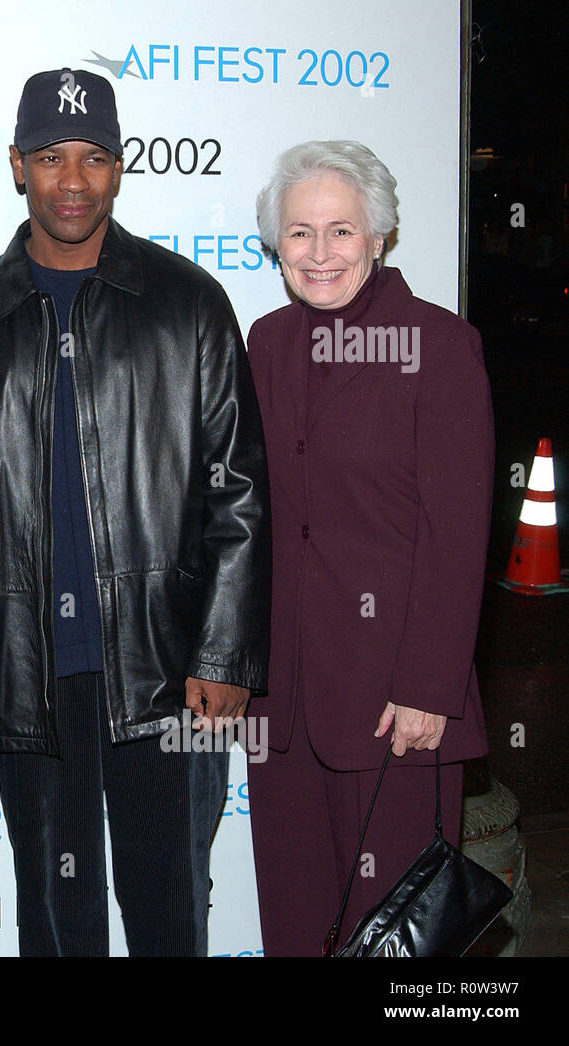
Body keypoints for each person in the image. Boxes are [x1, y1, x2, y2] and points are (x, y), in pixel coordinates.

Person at [0, 68, 270, 956]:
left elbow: (238, 489)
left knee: (170, 910)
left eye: (93, 158)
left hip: (166, 671)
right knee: (54, 920)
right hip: (26, 673)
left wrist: (224, 651)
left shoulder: (189, 304)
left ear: (120, 168)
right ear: (15, 166)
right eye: (49, 157)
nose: (71, 180)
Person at [246, 140, 494, 955]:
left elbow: (457, 536)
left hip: (397, 707)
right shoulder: (268, 343)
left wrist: (430, 686)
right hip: (282, 705)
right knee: (294, 923)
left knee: (394, 936)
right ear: (276, 245)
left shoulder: (439, 346)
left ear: (379, 236)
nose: (320, 254)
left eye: (341, 231)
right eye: (299, 234)